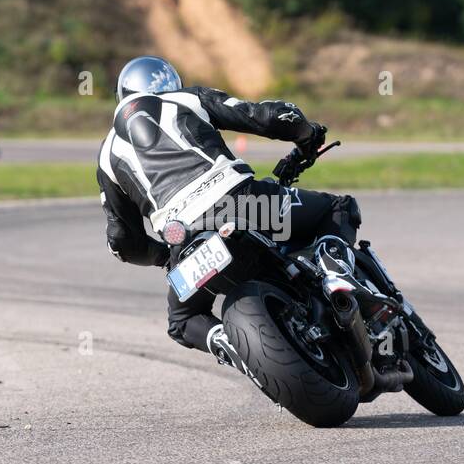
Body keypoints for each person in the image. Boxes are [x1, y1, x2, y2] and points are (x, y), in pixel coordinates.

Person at [95, 55, 362, 368]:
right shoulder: (186, 99)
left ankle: (232, 344)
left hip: (183, 237)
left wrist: (164, 257)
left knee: (182, 321)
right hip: (242, 204)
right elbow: (272, 116)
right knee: (337, 207)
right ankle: (335, 275)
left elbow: (123, 241)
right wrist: (307, 135)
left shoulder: (106, 157)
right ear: (170, 84)